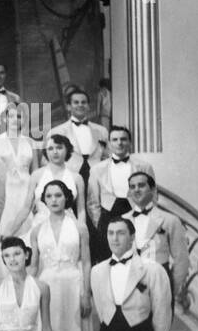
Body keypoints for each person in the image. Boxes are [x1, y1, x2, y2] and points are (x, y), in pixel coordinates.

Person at [126, 170, 190, 331]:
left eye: (142, 185)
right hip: (131, 286)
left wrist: (171, 290)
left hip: (159, 283)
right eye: (132, 186)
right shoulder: (122, 220)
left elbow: (181, 260)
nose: (137, 190)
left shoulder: (169, 220)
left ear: (153, 190)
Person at [29, 180, 97, 331]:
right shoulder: (37, 229)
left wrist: (86, 292)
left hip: (73, 284)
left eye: (58, 195)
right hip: (47, 285)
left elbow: (86, 261)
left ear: (66, 197)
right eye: (49, 196)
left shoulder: (79, 227)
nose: (54, 200)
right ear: (44, 200)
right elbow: (33, 265)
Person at [88, 126, 153, 263]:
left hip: (135, 215)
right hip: (107, 217)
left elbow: (153, 196)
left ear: (130, 142)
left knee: (137, 259)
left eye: (123, 139)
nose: (119, 143)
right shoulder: (97, 169)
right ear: (109, 143)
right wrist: (100, 222)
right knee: (109, 261)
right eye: (115, 139)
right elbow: (93, 202)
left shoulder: (144, 166)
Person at [0, 107, 40, 240]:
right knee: (6, 227)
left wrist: (36, 197)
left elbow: (36, 172)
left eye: (19, 116)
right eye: (11, 116)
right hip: (5, 191)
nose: (15, 120)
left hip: (27, 190)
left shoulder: (30, 142)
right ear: (5, 118)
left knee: (29, 226)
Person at [45, 86, 106, 183]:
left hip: (96, 180)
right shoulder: (56, 132)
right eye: (76, 102)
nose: (80, 105)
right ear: (68, 106)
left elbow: (108, 157)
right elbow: (47, 161)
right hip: (68, 179)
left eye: (83, 102)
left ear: (88, 106)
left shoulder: (101, 131)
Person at [29, 133, 85, 228]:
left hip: (69, 225)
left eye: (59, 148)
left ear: (67, 149)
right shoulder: (36, 175)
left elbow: (81, 210)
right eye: (50, 149)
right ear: (45, 152)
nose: (55, 152)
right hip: (41, 225)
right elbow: (26, 207)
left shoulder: (76, 178)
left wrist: (82, 230)